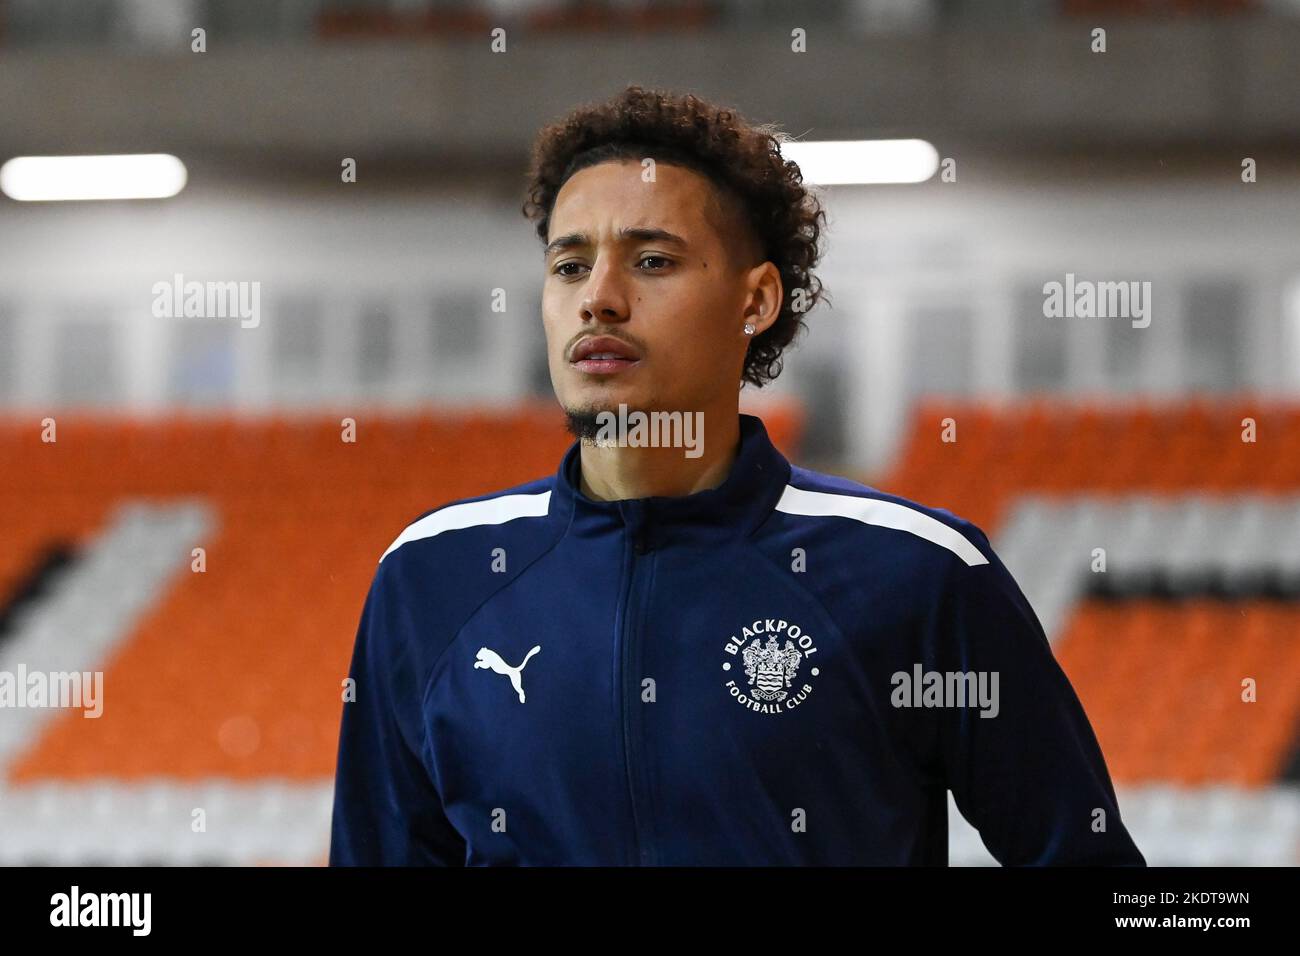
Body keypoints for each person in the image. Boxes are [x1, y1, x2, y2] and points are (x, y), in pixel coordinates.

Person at [329, 85, 1144, 866]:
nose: (599, 300)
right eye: (570, 266)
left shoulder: (920, 574)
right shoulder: (430, 577)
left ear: (754, 301)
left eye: (651, 261)